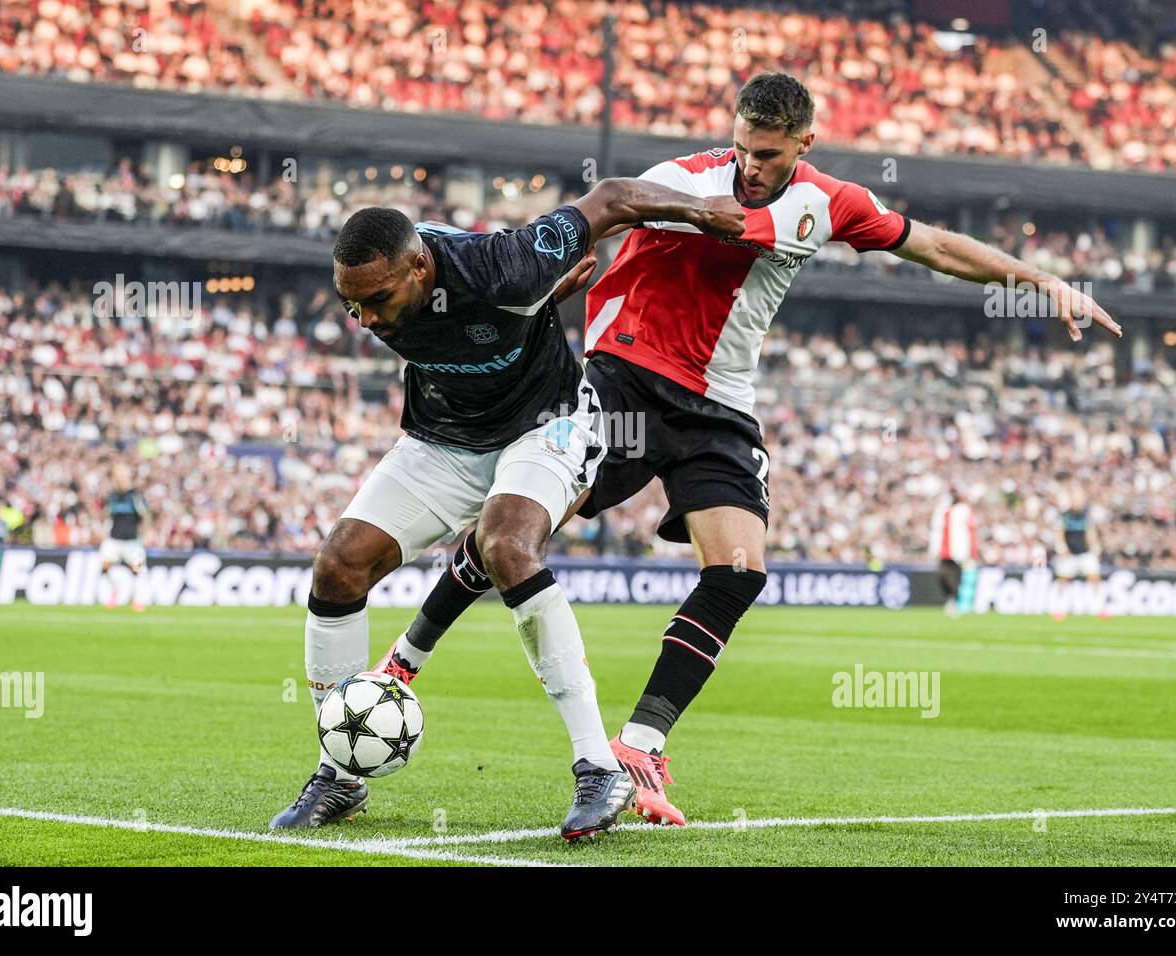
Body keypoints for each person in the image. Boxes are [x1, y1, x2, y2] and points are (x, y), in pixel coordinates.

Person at [373, 71, 1123, 827]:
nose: (750, 167)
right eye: (741, 148)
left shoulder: (830, 203)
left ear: (804, 144)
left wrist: (1040, 279)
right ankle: (404, 660)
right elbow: (602, 214)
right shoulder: (684, 183)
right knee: (520, 530)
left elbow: (931, 244)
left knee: (739, 569)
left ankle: (640, 745)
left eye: (766, 154)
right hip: (624, 378)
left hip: (720, 404)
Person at [269, 176, 746, 839]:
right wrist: (545, 299)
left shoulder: (506, 265)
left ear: (419, 265)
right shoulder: (385, 288)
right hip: (445, 437)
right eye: (354, 309)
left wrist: (701, 211)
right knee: (338, 565)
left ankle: (597, 765)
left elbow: (609, 199)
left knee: (506, 544)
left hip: (546, 425)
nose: (369, 321)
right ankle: (339, 773)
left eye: (378, 301)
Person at [99, 463, 148, 613]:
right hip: (114, 538)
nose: (120, 480)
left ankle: (138, 601)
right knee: (105, 566)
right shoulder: (112, 496)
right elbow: (107, 515)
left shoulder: (136, 496)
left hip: (134, 540)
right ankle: (115, 590)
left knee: (138, 570)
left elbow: (145, 516)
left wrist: (146, 534)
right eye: (118, 476)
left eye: (123, 476)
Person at [929, 487, 978, 617]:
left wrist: (971, 551)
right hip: (944, 551)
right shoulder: (941, 510)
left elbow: (971, 531)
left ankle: (955, 603)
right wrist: (934, 548)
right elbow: (936, 530)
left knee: (957, 578)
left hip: (960, 551)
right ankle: (950, 598)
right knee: (942, 576)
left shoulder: (963, 510)